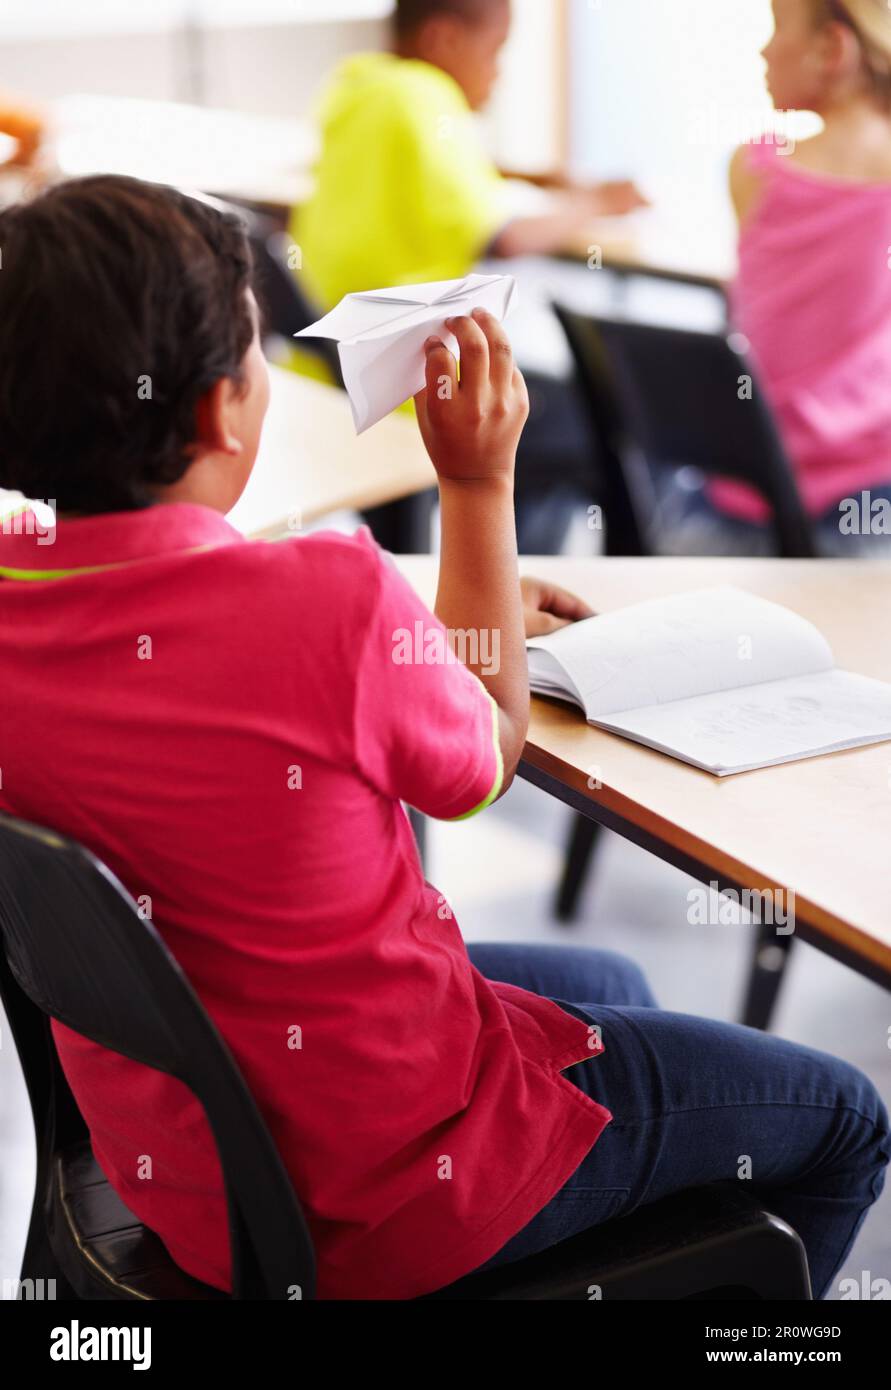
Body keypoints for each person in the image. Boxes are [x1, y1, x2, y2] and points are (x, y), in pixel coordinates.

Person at [0, 176, 886, 1301]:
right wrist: (476, 481)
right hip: (393, 1191)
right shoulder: (323, 598)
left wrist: (427, 625)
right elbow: (483, 758)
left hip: (188, 1169)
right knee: (849, 1119)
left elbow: (206, 669)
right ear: (227, 409)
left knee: (610, 976)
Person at [292, 0, 647, 554]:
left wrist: (528, 173)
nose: (498, 74)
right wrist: (598, 201)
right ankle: (508, 587)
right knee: (589, 422)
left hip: (339, 364)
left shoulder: (357, 87)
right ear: (443, 40)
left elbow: (434, 170)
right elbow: (502, 235)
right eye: (493, 53)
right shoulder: (425, 96)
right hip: (412, 377)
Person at [664, 0, 891, 557]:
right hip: (869, 507)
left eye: (777, 28)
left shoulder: (754, 167)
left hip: (741, 488)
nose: (763, 49)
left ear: (833, 49)